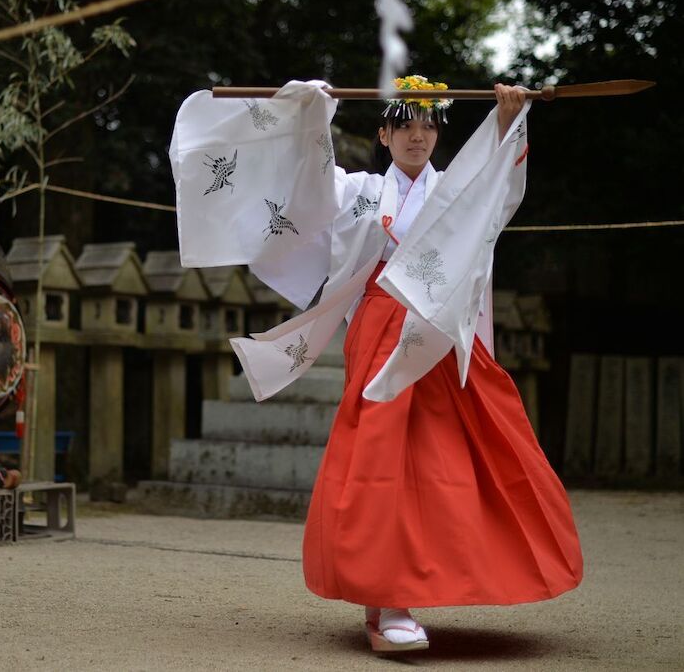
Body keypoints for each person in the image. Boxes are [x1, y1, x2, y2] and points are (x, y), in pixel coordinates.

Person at [170, 76, 583, 653]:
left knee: (457, 451)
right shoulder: (358, 190)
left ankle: (414, 586)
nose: (418, 135)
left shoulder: (453, 188)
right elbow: (306, 188)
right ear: (383, 134)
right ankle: (388, 599)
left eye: (429, 124)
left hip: (438, 331)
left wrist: (508, 121)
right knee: (383, 458)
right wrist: (312, 110)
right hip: (381, 328)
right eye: (405, 125)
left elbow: (495, 197)